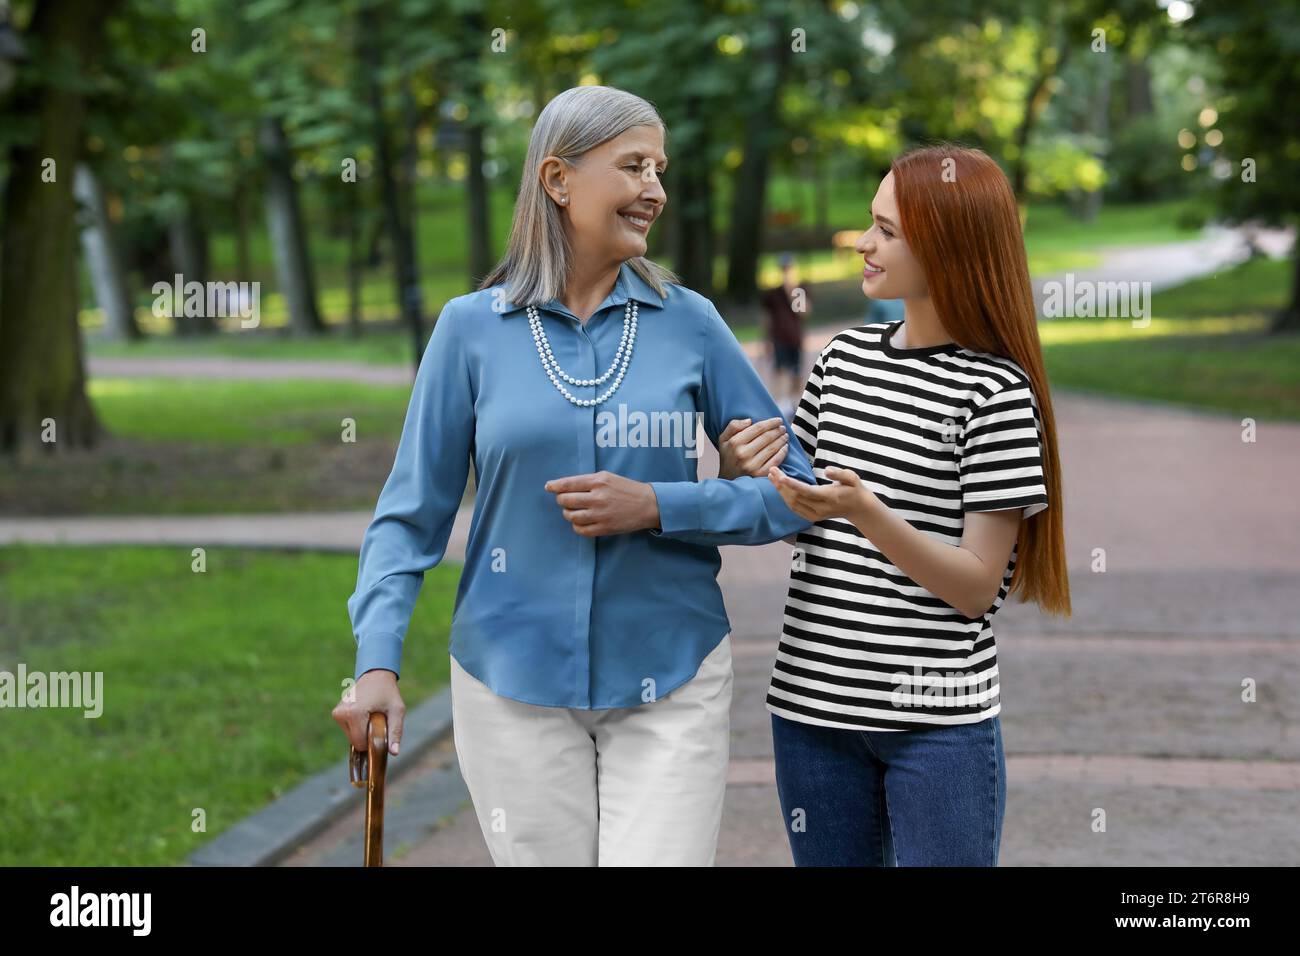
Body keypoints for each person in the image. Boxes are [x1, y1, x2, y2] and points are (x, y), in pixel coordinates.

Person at [331, 85, 816, 867]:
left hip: (673, 670)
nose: (655, 189)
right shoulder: (468, 331)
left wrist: (662, 504)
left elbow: (797, 491)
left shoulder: (690, 322)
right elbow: (409, 514)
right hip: (508, 679)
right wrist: (376, 664)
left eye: (659, 168)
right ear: (559, 180)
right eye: (632, 166)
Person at [723, 144, 1071, 866]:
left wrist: (868, 513)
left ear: (947, 248)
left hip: (938, 726)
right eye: (869, 223)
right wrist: (746, 473)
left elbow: (976, 587)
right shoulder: (844, 362)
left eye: (887, 230)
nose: (863, 242)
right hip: (811, 714)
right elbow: (803, 517)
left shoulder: (996, 394)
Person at [760, 252, 811, 419]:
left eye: (788, 268)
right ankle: (781, 404)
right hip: (778, 337)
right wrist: (766, 340)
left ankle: (793, 403)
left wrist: (792, 290)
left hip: (795, 337)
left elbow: (803, 311)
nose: (786, 272)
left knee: (797, 373)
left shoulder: (799, 289)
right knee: (780, 370)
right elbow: (766, 317)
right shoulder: (773, 293)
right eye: (784, 269)